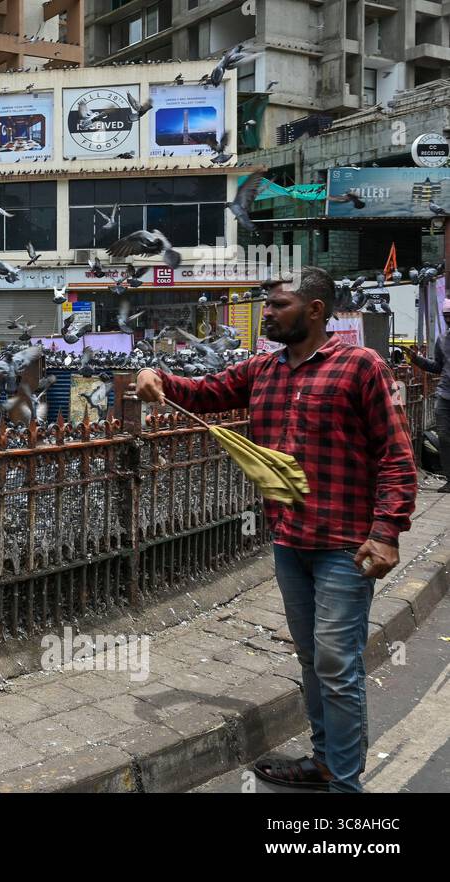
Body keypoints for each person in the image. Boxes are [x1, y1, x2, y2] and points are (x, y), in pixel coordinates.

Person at [134, 267, 417, 794]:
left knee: (336, 662)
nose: (267, 312)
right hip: (290, 539)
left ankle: (346, 787)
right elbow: (204, 393)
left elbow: (396, 458)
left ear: (314, 310)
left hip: (347, 542)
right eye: (266, 304)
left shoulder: (361, 366)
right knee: (311, 657)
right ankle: (326, 760)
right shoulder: (263, 369)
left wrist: (387, 530)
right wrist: (161, 381)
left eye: (278, 305)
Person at [401, 317, 450, 491]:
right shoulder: (443, 340)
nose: (449, 320)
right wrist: (416, 359)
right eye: (447, 317)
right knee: (444, 437)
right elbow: (437, 366)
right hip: (445, 395)